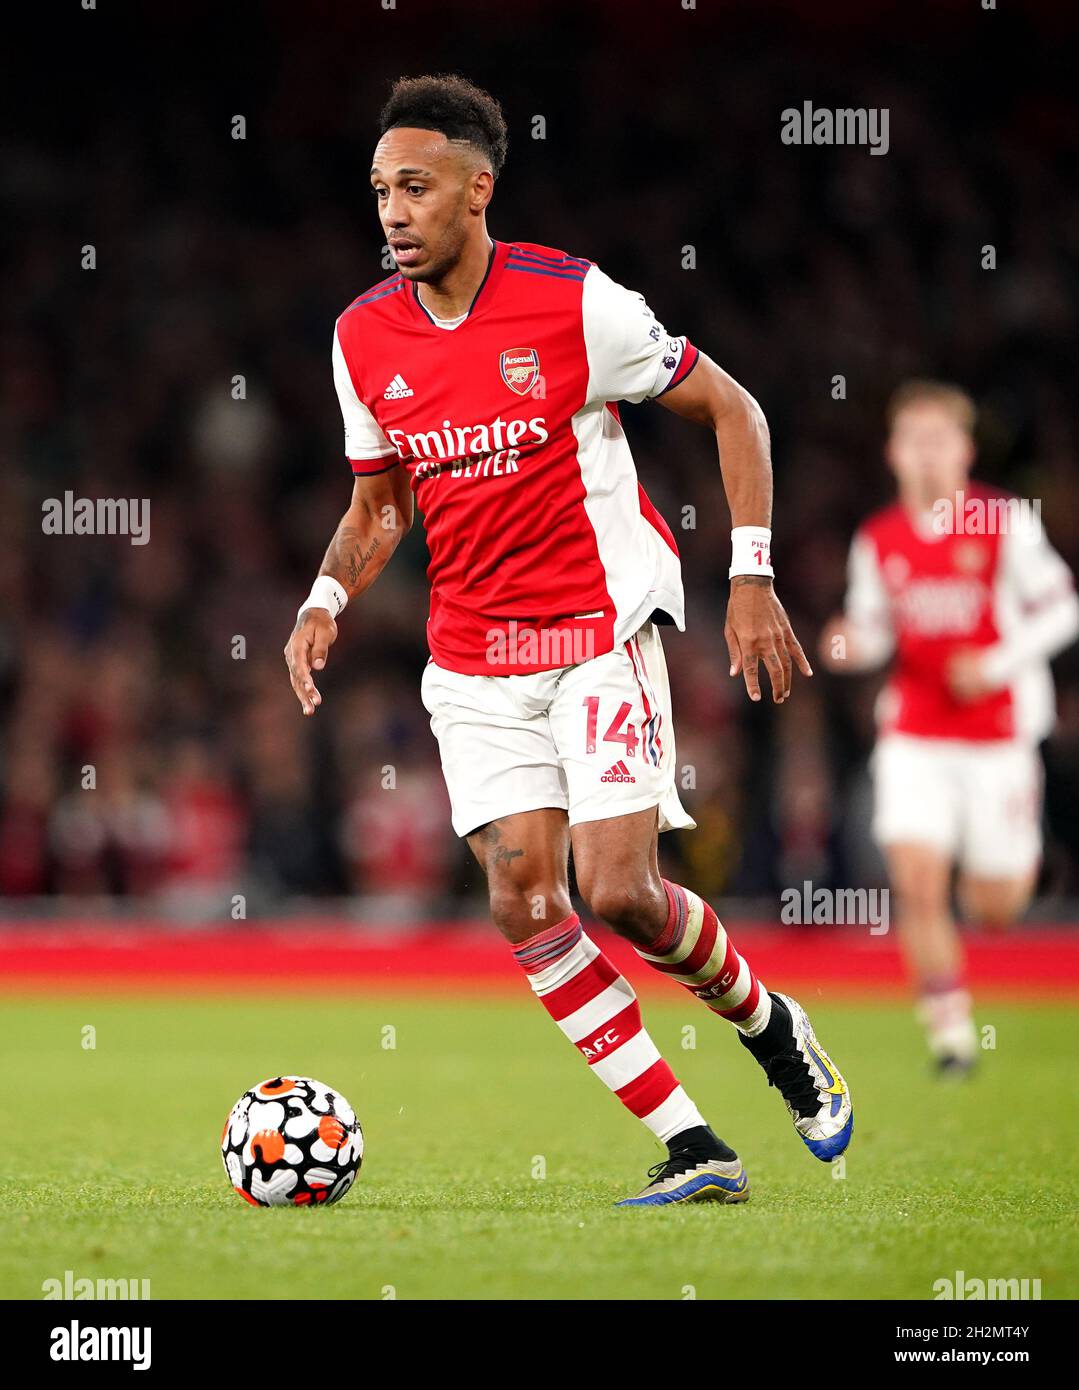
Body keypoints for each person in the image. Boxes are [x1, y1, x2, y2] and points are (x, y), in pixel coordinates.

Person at [284, 74, 852, 1205]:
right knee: (523, 897)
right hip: (471, 661)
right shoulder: (362, 339)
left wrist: (749, 572)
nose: (391, 210)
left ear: (475, 189)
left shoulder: (574, 303)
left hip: (596, 631)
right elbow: (381, 504)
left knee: (620, 889)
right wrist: (324, 599)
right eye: (377, 190)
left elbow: (731, 406)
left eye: (414, 187)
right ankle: (695, 1145)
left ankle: (770, 1026)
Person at [821, 380, 1079, 1073]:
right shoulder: (877, 539)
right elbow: (874, 630)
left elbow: (1062, 611)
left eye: (940, 440)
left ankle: (996, 866)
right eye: (914, 440)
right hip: (913, 733)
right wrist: (847, 644)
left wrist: (996, 664)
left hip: (997, 739)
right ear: (892, 453)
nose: (927, 455)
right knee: (915, 880)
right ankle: (950, 1035)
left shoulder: (1005, 522)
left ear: (965, 450)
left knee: (993, 905)